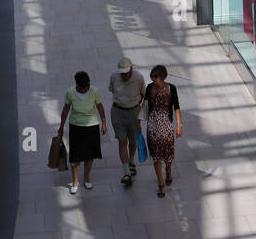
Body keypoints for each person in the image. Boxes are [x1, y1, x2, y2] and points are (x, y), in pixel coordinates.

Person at [58, 71, 107, 195]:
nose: (87, 89)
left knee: (90, 155)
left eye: (88, 86)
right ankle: (75, 181)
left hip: (92, 126)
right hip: (76, 127)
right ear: (77, 86)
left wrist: (104, 122)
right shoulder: (70, 93)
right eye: (84, 88)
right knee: (76, 156)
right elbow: (65, 110)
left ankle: (86, 178)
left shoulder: (94, 91)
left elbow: (100, 107)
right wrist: (61, 126)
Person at [144, 65, 182, 197]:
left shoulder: (171, 88)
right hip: (153, 126)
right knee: (156, 157)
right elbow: (145, 106)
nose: (153, 78)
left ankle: (169, 169)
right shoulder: (149, 88)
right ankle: (161, 184)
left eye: (155, 76)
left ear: (162, 76)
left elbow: (176, 107)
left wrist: (179, 125)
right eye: (152, 76)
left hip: (167, 126)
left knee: (168, 154)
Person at [108, 56, 146, 187]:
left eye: (127, 73)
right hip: (117, 113)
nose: (124, 76)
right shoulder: (114, 77)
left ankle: (131, 161)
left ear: (131, 70)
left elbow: (143, 95)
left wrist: (138, 113)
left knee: (133, 140)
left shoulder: (139, 78)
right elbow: (112, 90)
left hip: (134, 113)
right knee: (122, 140)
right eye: (122, 74)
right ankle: (126, 173)